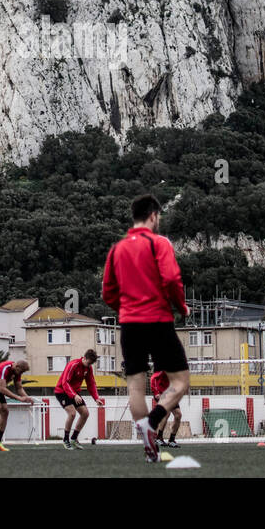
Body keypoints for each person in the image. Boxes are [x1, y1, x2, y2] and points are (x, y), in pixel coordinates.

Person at [102, 193, 190, 463]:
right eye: (159, 216)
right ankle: (152, 423)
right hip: (159, 320)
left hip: (129, 325)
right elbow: (172, 279)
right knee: (181, 381)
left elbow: (107, 293)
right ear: (153, 216)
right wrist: (181, 307)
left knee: (135, 387)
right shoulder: (159, 242)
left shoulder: (117, 249)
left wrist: (126, 309)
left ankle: (148, 445)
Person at [56, 349, 105, 449]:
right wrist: (74, 395)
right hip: (62, 391)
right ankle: (66, 440)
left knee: (85, 413)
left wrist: (96, 398)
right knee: (72, 413)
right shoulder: (73, 365)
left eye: (91, 363)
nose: (89, 365)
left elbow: (91, 384)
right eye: (89, 362)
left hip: (74, 393)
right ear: (84, 358)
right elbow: (65, 383)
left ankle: (74, 439)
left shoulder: (88, 369)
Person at [150, 368, 182, 447]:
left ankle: (171, 440)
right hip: (161, 394)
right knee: (166, 413)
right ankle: (158, 438)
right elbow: (153, 378)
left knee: (178, 415)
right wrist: (156, 392)